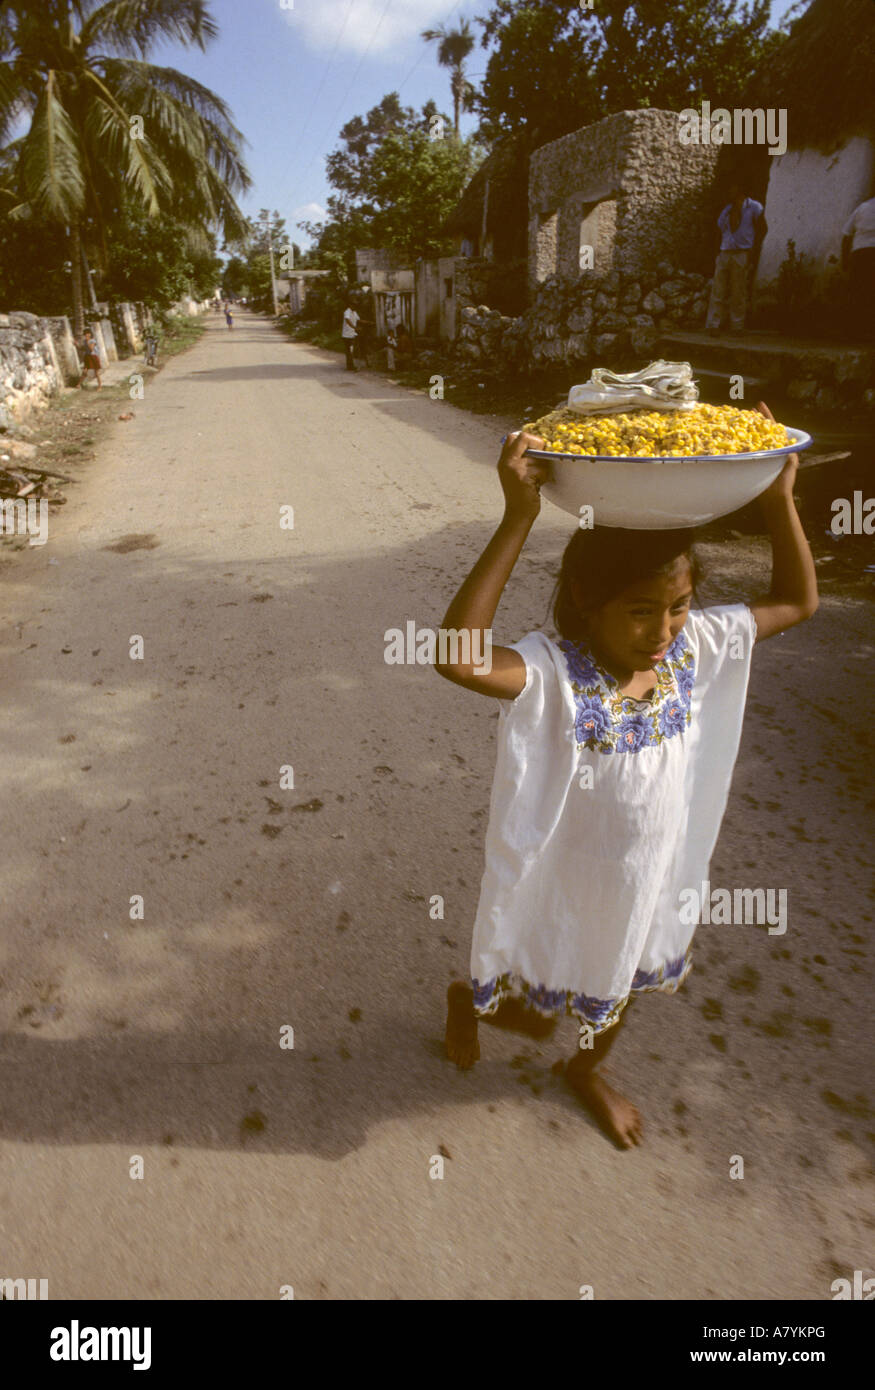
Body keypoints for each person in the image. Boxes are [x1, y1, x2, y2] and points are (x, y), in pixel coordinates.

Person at [437, 409, 817, 1149]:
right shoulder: (552, 671)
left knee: (625, 981)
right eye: (641, 611)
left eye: (677, 606)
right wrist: (517, 517)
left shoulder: (694, 651)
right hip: (563, 874)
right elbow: (456, 657)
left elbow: (797, 602)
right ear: (585, 599)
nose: (664, 629)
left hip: (651, 874)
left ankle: (583, 1072)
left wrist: (777, 497)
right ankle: (466, 1003)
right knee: (530, 989)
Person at [706, 183, 768, 334]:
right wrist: (718, 252)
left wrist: (753, 251)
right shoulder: (727, 209)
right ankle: (714, 325)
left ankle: (737, 326)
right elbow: (720, 230)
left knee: (738, 291)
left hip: (742, 253)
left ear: (740, 190)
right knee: (718, 290)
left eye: (732, 189)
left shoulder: (754, 207)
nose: (729, 193)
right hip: (725, 252)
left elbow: (762, 229)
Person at [840, 192, 875, 341]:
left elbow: (846, 234)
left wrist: (844, 259)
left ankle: (852, 332)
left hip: (860, 253)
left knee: (857, 292)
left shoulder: (863, 207)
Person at [342, 300, 360, 370]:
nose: (355, 307)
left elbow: (358, 320)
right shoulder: (347, 312)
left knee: (351, 350)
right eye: (354, 305)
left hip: (352, 334)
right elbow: (347, 320)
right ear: (351, 305)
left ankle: (350, 365)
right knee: (350, 350)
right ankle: (350, 366)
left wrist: (368, 322)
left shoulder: (355, 312)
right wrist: (354, 327)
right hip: (346, 335)